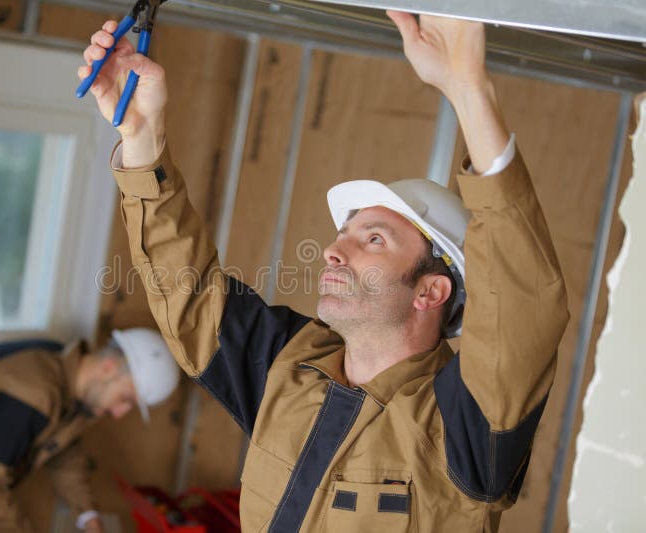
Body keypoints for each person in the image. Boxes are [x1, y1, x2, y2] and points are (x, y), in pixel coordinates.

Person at [79, 11, 568, 532]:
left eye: (373, 239)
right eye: (344, 234)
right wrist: (141, 134)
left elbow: (523, 305)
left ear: (431, 289)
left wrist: (468, 90)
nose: (334, 251)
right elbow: (188, 294)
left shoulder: (459, 426)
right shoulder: (289, 368)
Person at [0, 329, 180, 533]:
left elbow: (64, 454)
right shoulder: (31, 392)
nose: (119, 414)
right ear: (108, 369)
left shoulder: (72, 383)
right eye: (126, 399)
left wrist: (89, 518)